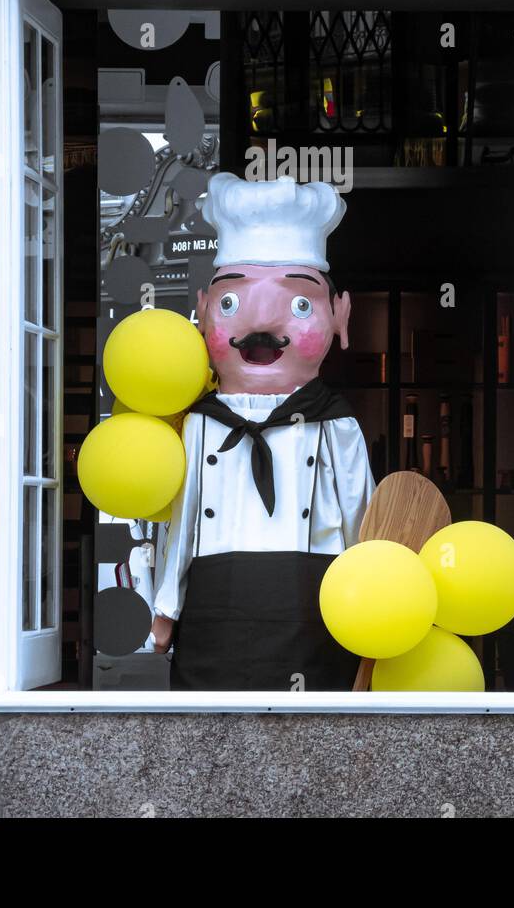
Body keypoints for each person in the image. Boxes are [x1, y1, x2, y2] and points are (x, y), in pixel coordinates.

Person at [149, 173, 374, 690]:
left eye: (300, 305)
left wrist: (372, 606)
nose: (263, 324)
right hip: (214, 605)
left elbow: (365, 520)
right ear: (203, 313)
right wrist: (166, 607)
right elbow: (181, 524)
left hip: (315, 603)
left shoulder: (336, 422)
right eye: (231, 303)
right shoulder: (201, 422)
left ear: (340, 318)